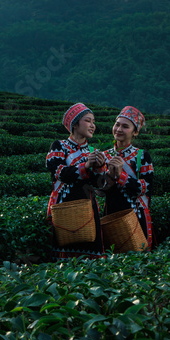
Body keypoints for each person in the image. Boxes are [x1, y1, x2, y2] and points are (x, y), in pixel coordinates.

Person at [46, 102, 107, 259]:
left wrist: (100, 167)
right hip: (64, 209)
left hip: (87, 209)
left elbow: (100, 186)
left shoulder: (93, 152)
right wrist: (86, 165)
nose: (92, 125)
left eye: (93, 121)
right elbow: (61, 173)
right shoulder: (59, 146)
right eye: (88, 121)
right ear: (74, 124)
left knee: (91, 259)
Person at [102, 106, 155, 250]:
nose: (119, 129)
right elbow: (99, 191)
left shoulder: (142, 156)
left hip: (135, 217)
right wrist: (108, 179)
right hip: (111, 215)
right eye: (117, 124)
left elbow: (145, 188)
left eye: (125, 126)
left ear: (135, 132)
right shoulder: (105, 156)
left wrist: (121, 175)